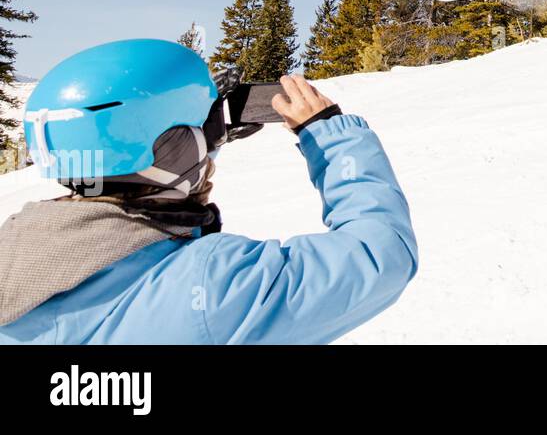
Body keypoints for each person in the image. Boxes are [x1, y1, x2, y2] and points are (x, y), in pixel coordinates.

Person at [0, 39, 417, 344]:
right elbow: (380, 256)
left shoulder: (14, 255)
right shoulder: (216, 285)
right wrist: (328, 135)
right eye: (203, 132)